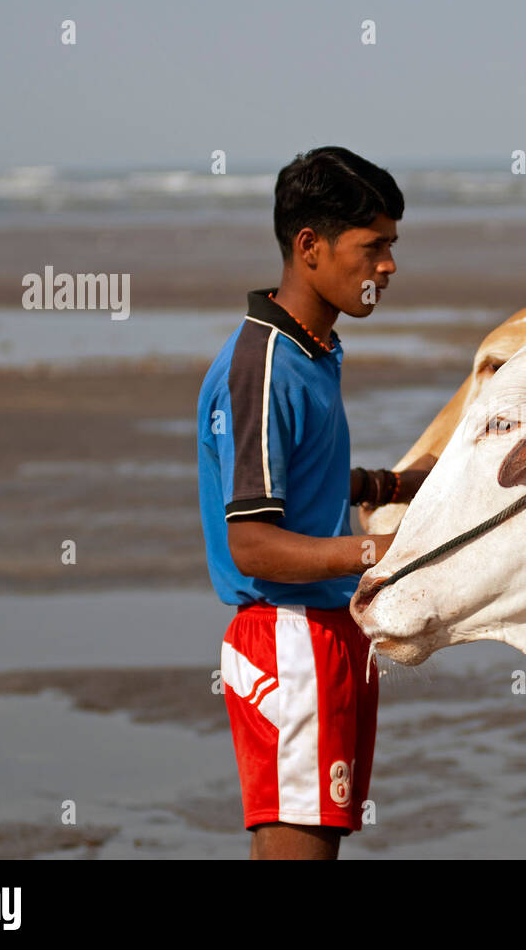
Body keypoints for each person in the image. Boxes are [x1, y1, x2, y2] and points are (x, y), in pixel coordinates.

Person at [196, 147, 427, 859]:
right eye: (373, 246)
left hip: (328, 632)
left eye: (392, 245)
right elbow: (253, 543)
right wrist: (382, 553)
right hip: (289, 635)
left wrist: (390, 485)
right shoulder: (262, 364)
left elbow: (297, 479)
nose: (387, 266)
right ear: (309, 247)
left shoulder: (311, 351)